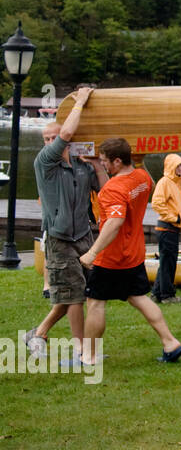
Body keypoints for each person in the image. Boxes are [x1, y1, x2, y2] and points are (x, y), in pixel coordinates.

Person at [79, 138, 181, 365]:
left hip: (111, 258)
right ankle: (170, 342)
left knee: (95, 302)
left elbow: (115, 221)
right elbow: (132, 182)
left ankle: (88, 357)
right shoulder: (141, 177)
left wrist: (92, 253)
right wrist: (100, 166)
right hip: (134, 254)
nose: (103, 164)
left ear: (117, 161)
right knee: (139, 298)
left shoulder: (112, 189)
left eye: (105, 161)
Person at [22, 87, 107, 359]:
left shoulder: (80, 167)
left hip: (84, 236)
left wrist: (96, 165)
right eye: (46, 138)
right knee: (73, 296)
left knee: (82, 291)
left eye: (53, 137)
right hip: (59, 237)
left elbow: (105, 192)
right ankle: (81, 348)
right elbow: (67, 133)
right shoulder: (44, 162)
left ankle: (38, 332)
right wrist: (80, 101)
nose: (50, 142)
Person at [149, 153, 181, 304]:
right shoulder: (165, 182)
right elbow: (157, 203)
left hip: (172, 228)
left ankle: (157, 293)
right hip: (167, 227)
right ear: (171, 166)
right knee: (168, 263)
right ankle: (167, 295)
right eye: (177, 165)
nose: (180, 168)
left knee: (166, 262)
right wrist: (175, 218)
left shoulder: (176, 183)